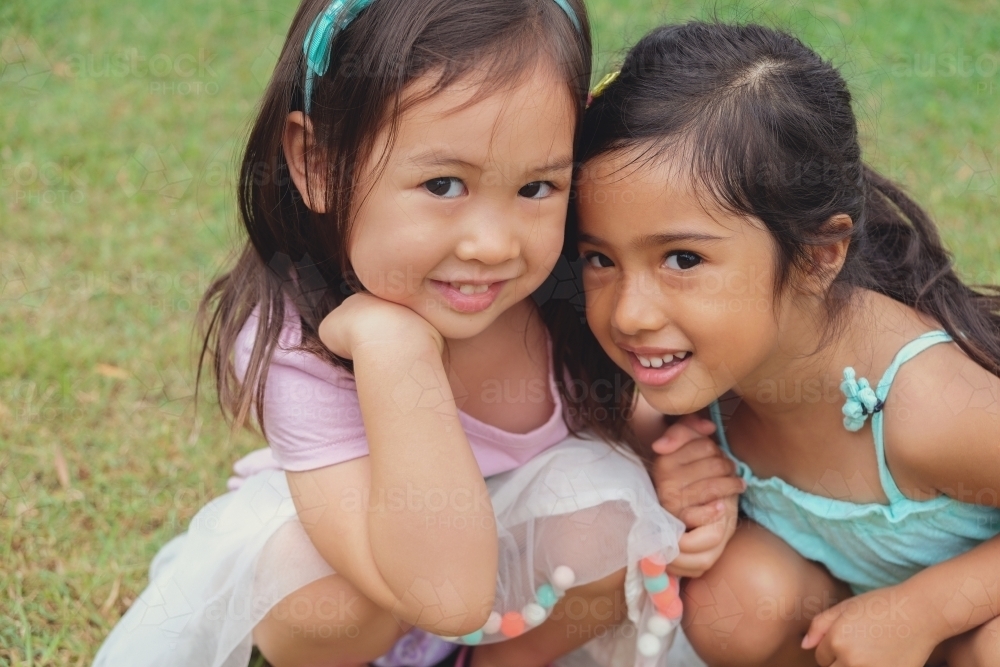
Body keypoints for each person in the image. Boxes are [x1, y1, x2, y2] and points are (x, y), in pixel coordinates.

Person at [91, 2, 709, 666]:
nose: (492, 244)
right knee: (336, 602)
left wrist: (672, 461)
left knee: (615, 515)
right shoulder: (297, 344)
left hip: (511, 583)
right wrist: (397, 349)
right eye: (443, 184)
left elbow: (620, 410)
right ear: (317, 164)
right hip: (381, 577)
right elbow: (446, 596)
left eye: (536, 186)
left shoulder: (569, 286)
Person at [573, 21, 1000, 667]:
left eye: (682, 259)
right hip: (845, 622)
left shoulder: (928, 406)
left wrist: (921, 611)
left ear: (820, 256)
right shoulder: (702, 377)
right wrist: (676, 481)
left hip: (965, 625)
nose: (629, 313)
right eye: (599, 259)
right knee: (733, 604)